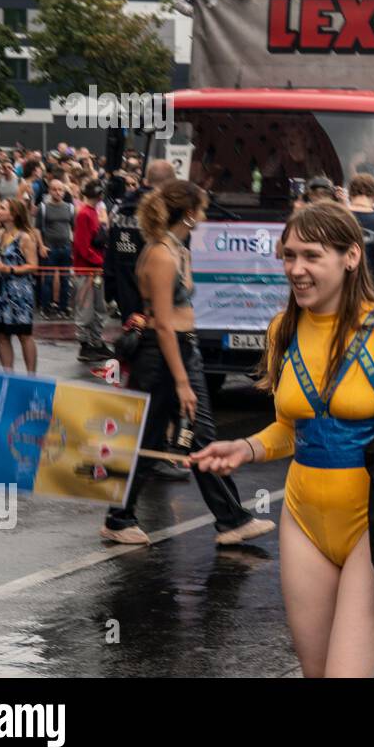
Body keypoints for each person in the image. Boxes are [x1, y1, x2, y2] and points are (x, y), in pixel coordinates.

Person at [192, 202, 374, 677]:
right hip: (303, 521)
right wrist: (245, 449)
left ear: (351, 256)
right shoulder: (283, 329)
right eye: (289, 256)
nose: (297, 269)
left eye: (312, 256)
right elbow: (289, 428)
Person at [102, 180, 275, 547]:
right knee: (157, 437)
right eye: (203, 208)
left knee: (196, 437)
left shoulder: (178, 249)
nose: (207, 214)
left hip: (183, 350)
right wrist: (182, 381)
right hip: (164, 354)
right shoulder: (162, 254)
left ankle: (229, 519)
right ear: (190, 213)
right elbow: (163, 322)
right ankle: (121, 519)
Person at [105, 159, 176, 322]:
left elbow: (110, 254)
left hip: (126, 297)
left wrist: (111, 293)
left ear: (145, 181)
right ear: (171, 184)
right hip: (156, 300)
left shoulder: (120, 208)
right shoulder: (166, 211)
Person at [0, 199, 40, 374]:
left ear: (13, 214)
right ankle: (8, 374)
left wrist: (9, 269)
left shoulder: (25, 237)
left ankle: (31, 375)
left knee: (24, 334)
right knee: (0, 334)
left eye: (2, 207)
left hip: (19, 291)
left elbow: (33, 265)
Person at [73, 179, 112, 362]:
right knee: (86, 307)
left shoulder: (92, 212)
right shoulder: (85, 215)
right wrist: (100, 261)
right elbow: (82, 246)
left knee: (97, 306)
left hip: (93, 269)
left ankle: (95, 341)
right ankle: (85, 344)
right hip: (87, 269)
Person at [35, 177, 74, 316]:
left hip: (65, 248)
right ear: (49, 191)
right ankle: (46, 307)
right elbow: (37, 228)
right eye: (54, 189)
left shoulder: (69, 207)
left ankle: (63, 307)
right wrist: (41, 246)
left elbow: (73, 228)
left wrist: (73, 248)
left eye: (60, 189)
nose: (58, 192)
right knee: (48, 280)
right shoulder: (44, 207)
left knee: (65, 279)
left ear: (64, 191)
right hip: (49, 248)